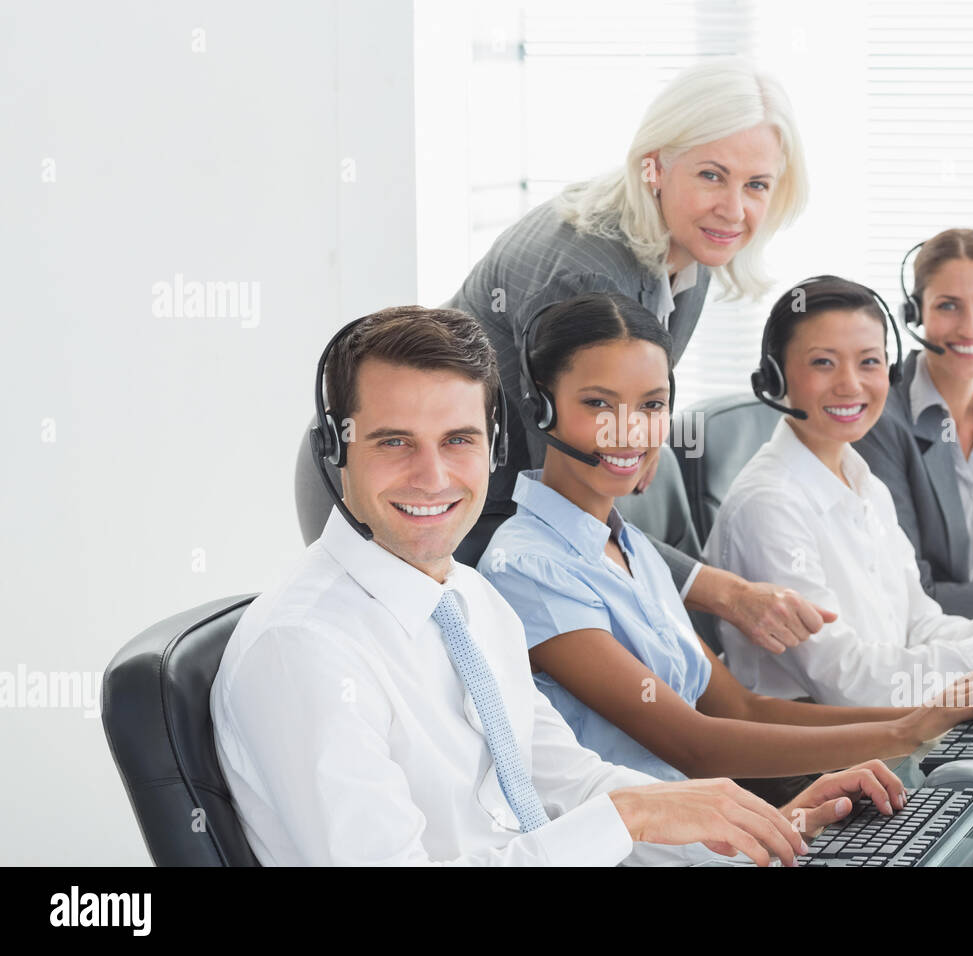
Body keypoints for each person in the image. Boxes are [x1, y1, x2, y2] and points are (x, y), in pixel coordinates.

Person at [211, 305, 912, 867]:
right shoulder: (305, 650)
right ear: (336, 451)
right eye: (394, 441)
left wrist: (750, 833)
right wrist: (631, 816)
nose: (432, 476)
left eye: (457, 440)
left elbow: (566, 783)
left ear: (491, 446)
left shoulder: (468, 601)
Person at [477, 292, 973, 803]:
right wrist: (907, 733)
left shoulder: (631, 548)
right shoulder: (528, 567)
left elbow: (742, 710)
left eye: (652, 404)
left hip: (703, 835)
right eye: (598, 403)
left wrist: (933, 716)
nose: (629, 430)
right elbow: (694, 744)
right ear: (541, 405)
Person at [442, 58, 831, 659]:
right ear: (656, 165)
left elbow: (609, 457)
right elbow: (570, 497)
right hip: (436, 493)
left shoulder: (692, 255)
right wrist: (726, 594)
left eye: (757, 184)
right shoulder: (586, 273)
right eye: (712, 175)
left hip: (517, 490)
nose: (735, 210)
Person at [703, 277, 973, 708]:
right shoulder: (769, 504)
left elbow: (920, 627)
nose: (850, 384)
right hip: (812, 757)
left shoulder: (865, 484)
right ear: (775, 374)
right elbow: (851, 683)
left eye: (868, 362)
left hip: (887, 729)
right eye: (823, 363)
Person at [854, 229, 973, 618]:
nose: (970, 328)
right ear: (916, 313)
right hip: (927, 654)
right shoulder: (880, 420)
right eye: (948, 306)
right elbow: (912, 596)